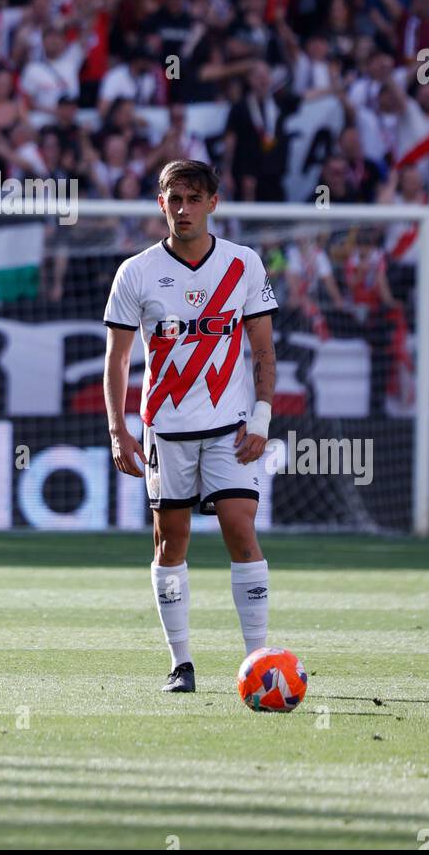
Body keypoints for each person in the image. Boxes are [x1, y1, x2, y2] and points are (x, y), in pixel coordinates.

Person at [102, 158, 278, 693]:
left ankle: (260, 662)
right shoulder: (135, 272)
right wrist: (118, 429)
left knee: (241, 531)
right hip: (166, 429)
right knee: (170, 543)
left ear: (212, 203)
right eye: (173, 199)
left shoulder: (243, 264)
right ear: (161, 204)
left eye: (193, 199)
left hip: (230, 427)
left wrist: (263, 419)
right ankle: (181, 664)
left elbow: (264, 350)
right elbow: (117, 359)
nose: (183, 209)